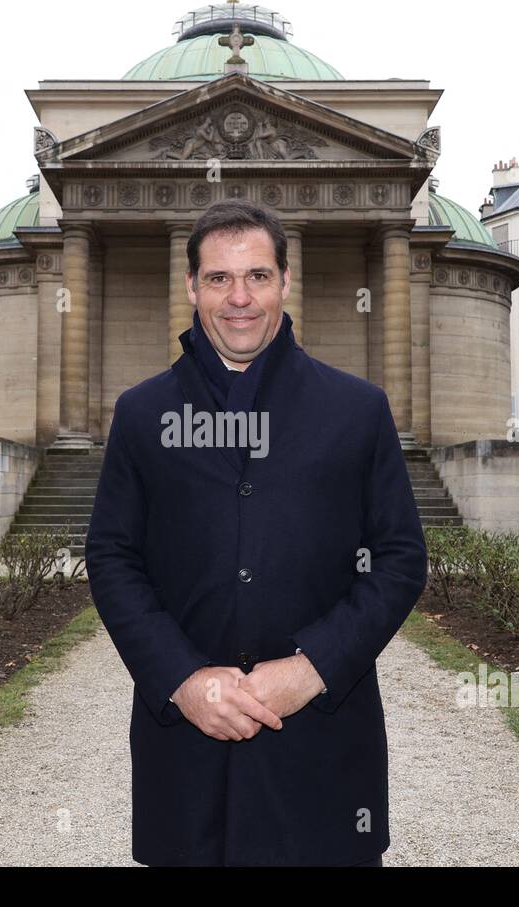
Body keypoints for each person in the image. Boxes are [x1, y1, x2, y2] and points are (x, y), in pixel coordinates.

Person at [84, 198, 427, 866]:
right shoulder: (141, 413)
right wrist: (181, 680)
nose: (239, 298)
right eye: (219, 278)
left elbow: (400, 559)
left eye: (257, 277)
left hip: (322, 745)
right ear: (191, 287)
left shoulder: (357, 410)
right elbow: (112, 555)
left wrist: (313, 668)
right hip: (187, 747)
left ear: (284, 282)